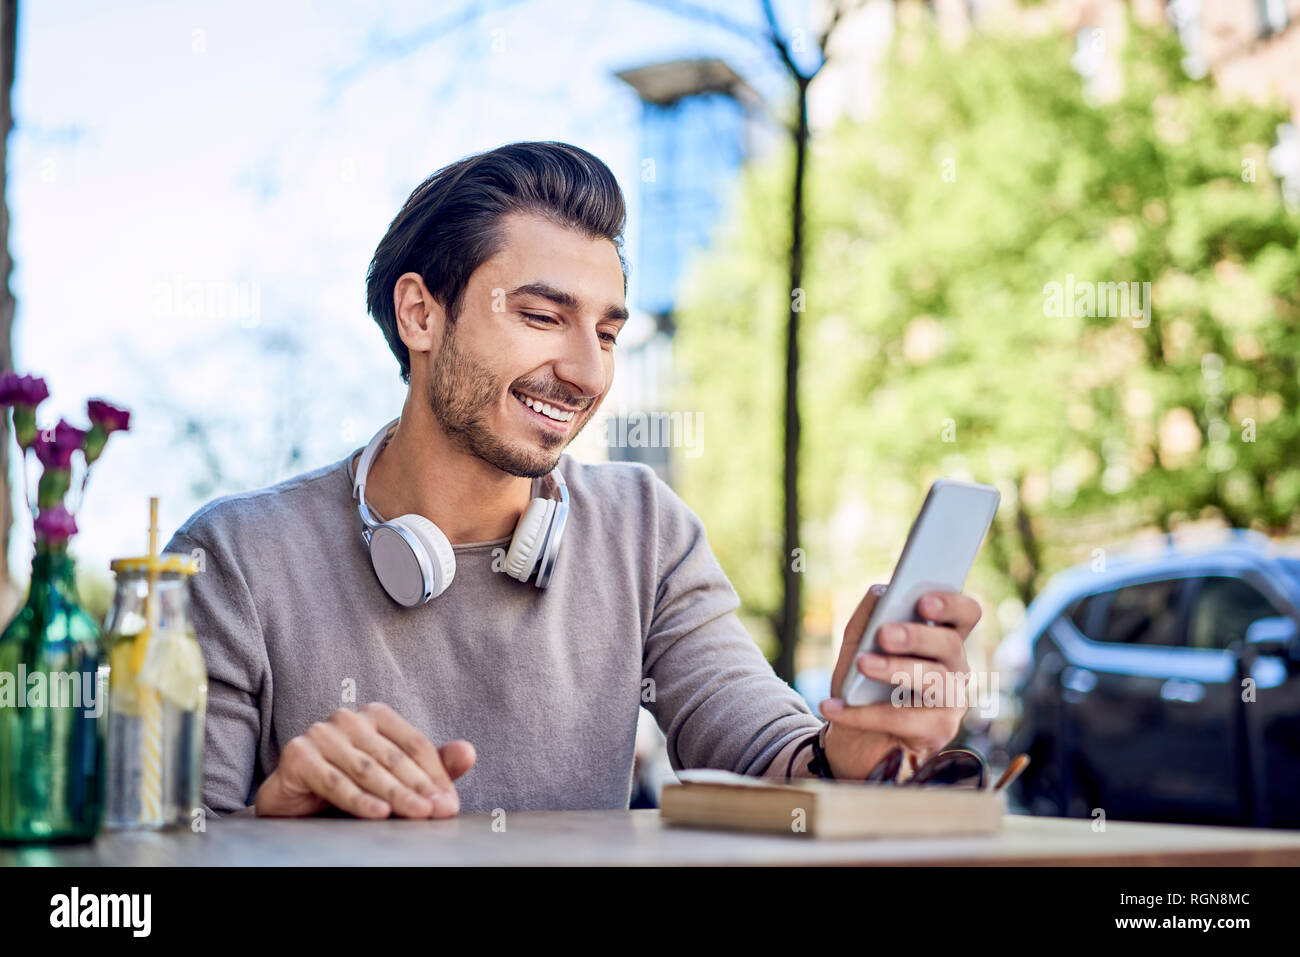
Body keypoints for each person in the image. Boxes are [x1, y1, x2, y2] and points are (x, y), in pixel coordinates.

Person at [165, 141, 984, 819]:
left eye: (608, 331)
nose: (587, 371)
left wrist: (854, 751)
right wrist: (278, 814)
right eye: (541, 316)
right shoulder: (234, 559)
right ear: (421, 314)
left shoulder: (642, 530)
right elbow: (160, 853)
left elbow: (769, 750)